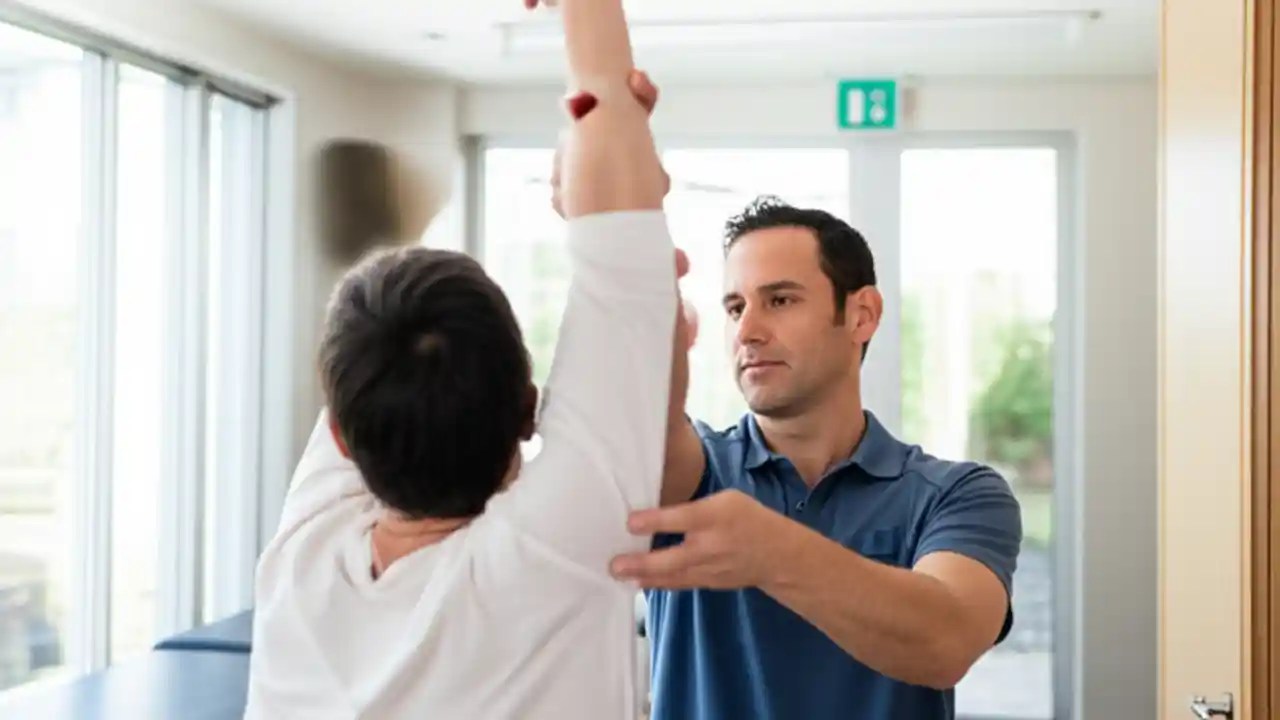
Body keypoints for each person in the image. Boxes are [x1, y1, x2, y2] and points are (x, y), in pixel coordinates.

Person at [244, 1, 690, 717]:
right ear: (527, 412)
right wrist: (599, 167)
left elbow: (368, 356)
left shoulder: (301, 563)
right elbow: (617, 243)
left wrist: (609, 148)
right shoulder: (555, 552)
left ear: (340, 439)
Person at [610, 197, 1024, 719]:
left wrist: (772, 551)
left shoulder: (956, 495)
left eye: (780, 300)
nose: (747, 331)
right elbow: (639, 432)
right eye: (736, 308)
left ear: (861, 315)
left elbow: (946, 641)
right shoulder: (698, 474)